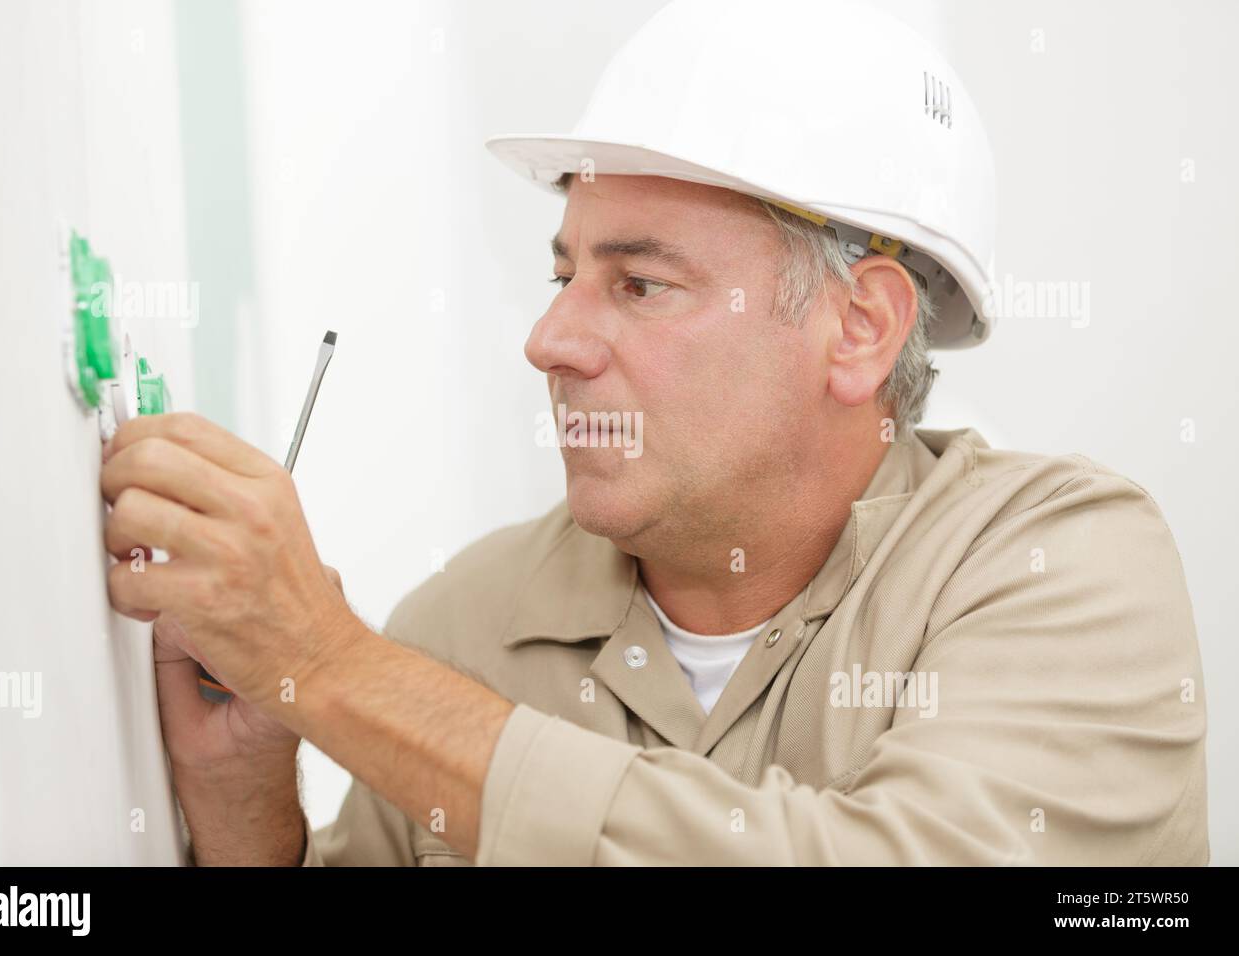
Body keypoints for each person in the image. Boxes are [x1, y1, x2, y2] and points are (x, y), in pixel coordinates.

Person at [101, 0, 1208, 865]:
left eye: (639, 284)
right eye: (562, 271)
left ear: (858, 327)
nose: (549, 338)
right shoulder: (463, 625)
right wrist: (248, 804)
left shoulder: (1059, 570)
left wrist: (327, 662)